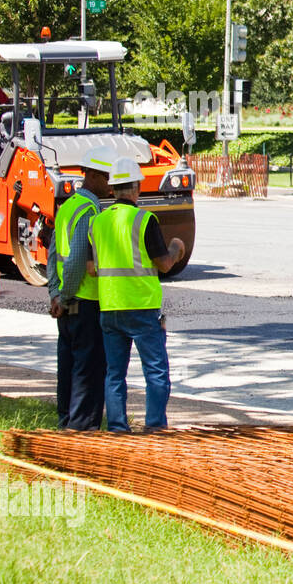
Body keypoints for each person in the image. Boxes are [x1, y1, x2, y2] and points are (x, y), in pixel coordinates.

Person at [88, 157, 186, 432]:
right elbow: (164, 263)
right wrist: (177, 249)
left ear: (113, 189)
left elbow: (91, 268)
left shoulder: (98, 222)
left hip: (109, 307)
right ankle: (154, 428)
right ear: (135, 189)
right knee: (156, 373)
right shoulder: (144, 220)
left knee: (114, 374)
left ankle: (118, 428)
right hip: (141, 307)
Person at [48, 146, 115, 430]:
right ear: (95, 176)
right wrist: (63, 296)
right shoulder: (88, 211)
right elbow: (76, 261)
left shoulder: (68, 207)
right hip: (84, 301)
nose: (111, 184)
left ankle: (66, 423)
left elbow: (53, 255)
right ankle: (82, 431)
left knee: (68, 367)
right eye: (107, 177)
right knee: (88, 370)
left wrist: (54, 293)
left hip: (67, 305)